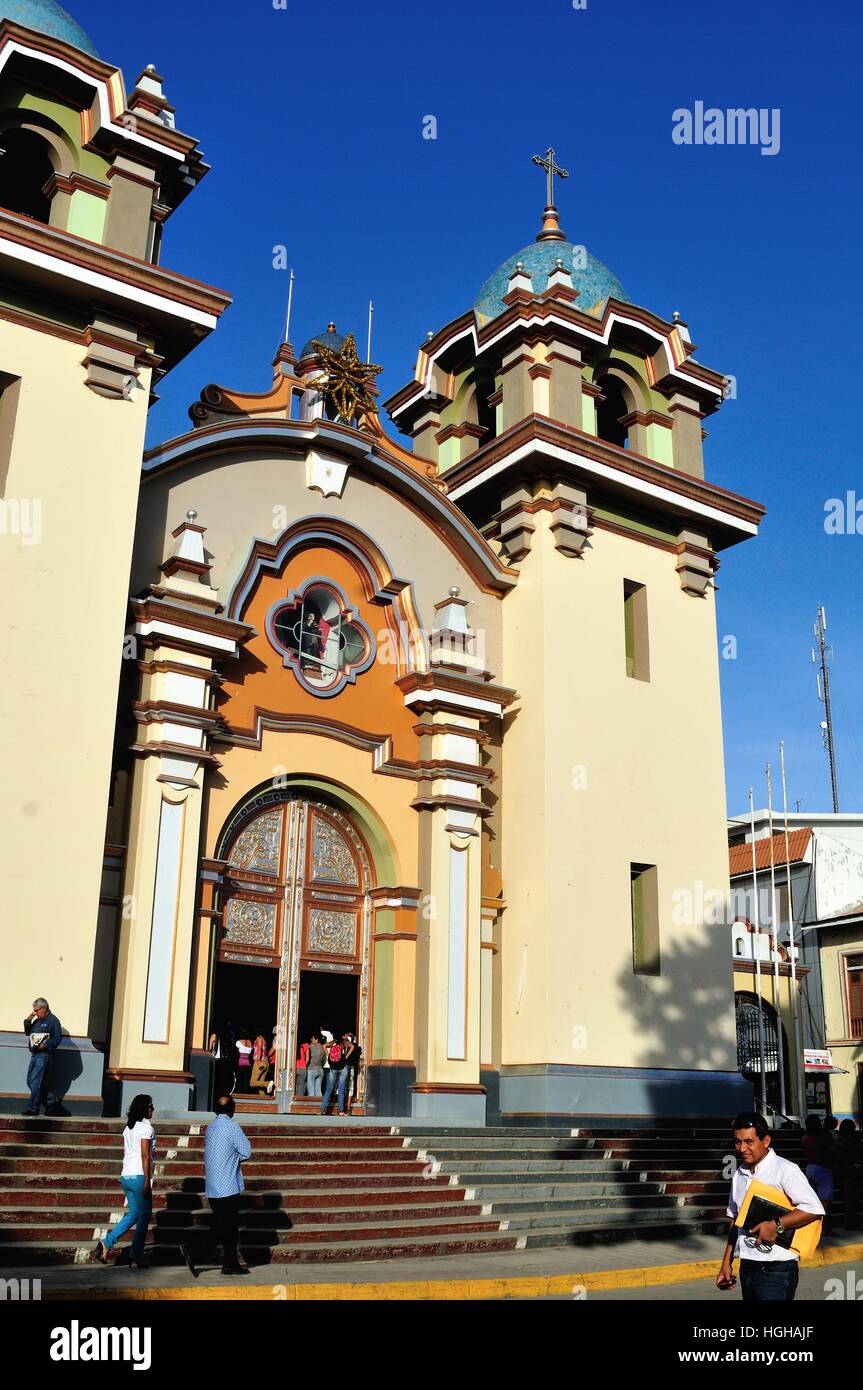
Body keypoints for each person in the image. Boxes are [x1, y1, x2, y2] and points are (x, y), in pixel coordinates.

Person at [716, 1111, 825, 1302]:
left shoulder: (785, 1169)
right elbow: (735, 1221)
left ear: (765, 1141)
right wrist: (726, 1263)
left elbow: (814, 1208)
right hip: (748, 1266)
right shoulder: (739, 1174)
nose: (742, 1148)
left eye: (749, 1142)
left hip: (777, 1269)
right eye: (737, 1142)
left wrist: (776, 1225)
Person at [181, 1096, 252, 1278]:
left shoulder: (211, 1127)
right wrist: (232, 1158)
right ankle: (193, 1249)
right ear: (233, 1109)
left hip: (213, 1185)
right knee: (226, 1226)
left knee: (230, 1227)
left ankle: (230, 1264)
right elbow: (246, 1151)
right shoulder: (232, 1126)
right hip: (227, 1185)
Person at [93, 1095, 155, 1269]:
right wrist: (147, 1180)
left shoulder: (128, 1128)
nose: (153, 1109)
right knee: (144, 1215)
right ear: (144, 1108)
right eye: (150, 1106)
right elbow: (144, 1154)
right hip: (138, 1176)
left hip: (126, 1176)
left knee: (134, 1213)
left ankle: (107, 1241)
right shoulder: (145, 1127)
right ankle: (136, 1254)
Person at [22, 997, 68, 1117]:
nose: (35, 1013)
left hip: (44, 1056)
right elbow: (28, 1032)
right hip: (35, 1055)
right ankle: (53, 1103)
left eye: (37, 1010)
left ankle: (33, 1109)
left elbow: (57, 1039)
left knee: (35, 1083)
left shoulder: (53, 1021)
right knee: (31, 1082)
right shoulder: (37, 1021)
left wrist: (46, 1044)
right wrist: (28, 1020)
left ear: (44, 1009)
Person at [801, 1113, 835, 1205]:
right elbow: (833, 1150)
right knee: (825, 1201)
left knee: (814, 1200)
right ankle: (825, 1219)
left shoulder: (805, 1138)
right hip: (823, 1168)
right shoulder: (824, 1136)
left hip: (810, 1168)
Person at [319, 1032, 356, 1116]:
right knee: (341, 1090)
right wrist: (345, 1057)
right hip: (343, 1068)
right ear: (342, 1036)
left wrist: (328, 1055)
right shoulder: (344, 1042)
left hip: (333, 1068)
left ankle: (322, 1110)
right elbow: (353, 1047)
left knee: (329, 1089)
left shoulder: (333, 1042)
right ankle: (341, 1111)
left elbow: (323, 1045)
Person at [836, 1119, 863, 1229]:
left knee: (850, 1198)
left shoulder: (838, 1140)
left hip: (845, 1171)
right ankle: (850, 1222)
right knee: (852, 1198)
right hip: (852, 1171)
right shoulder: (855, 1140)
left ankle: (850, 1221)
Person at [305, 1033, 326, 1099]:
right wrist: (320, 1066)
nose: (311, 1039)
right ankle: (319, 1106)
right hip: (320, 1069)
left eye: (312, 1038)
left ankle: (311, 1107)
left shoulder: (310, 1047)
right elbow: (324, 1060)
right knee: (318, 1091)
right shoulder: (322, 1047)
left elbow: (307, 1058)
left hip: (311, 1069)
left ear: (317, 1039)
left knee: (311, 1091)